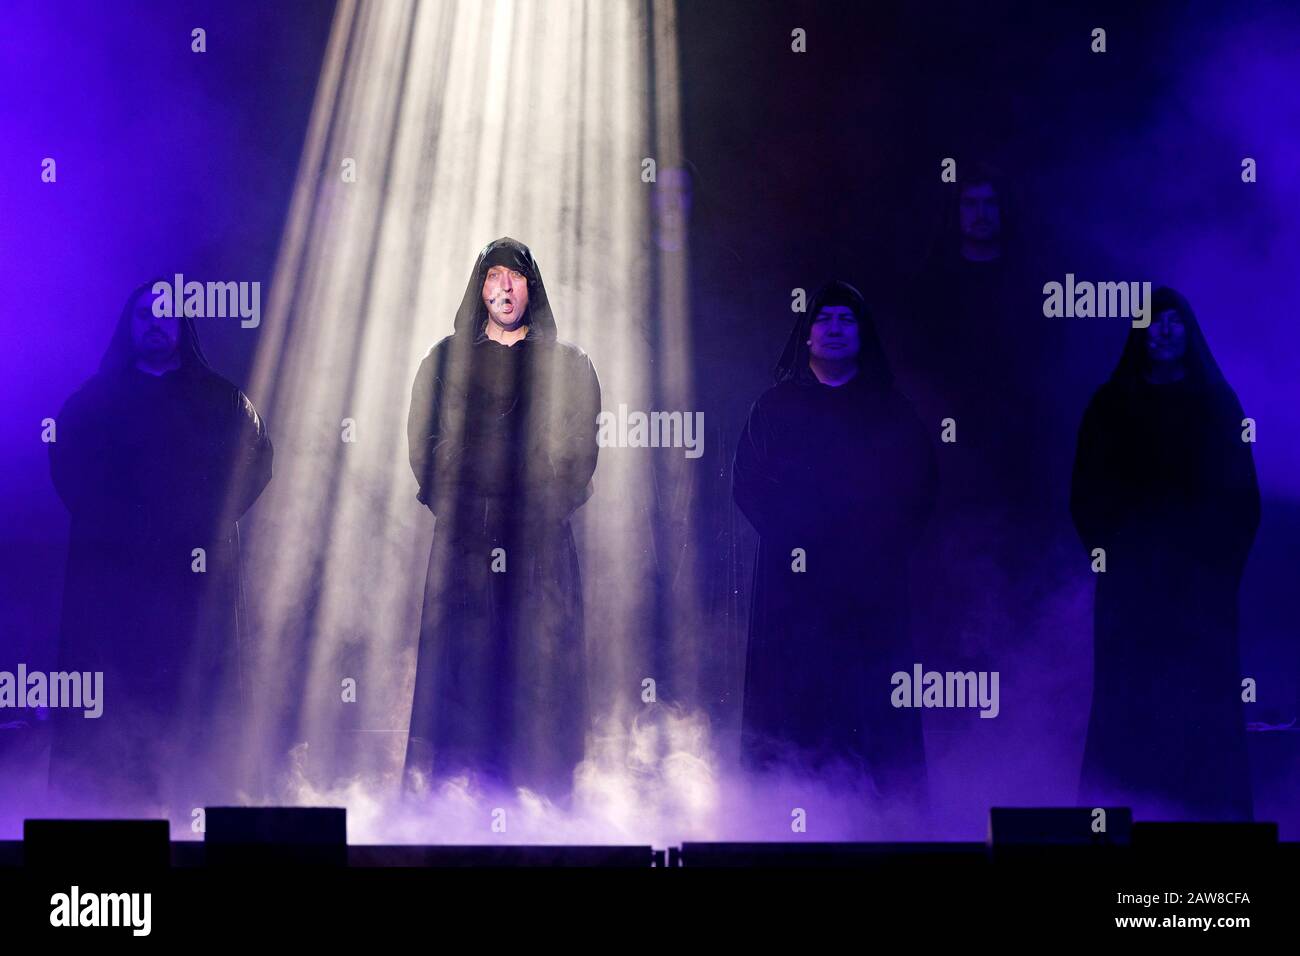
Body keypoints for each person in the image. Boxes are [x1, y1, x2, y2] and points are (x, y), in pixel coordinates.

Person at [47, 280, 273, 814]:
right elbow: (68, 468)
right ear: (129, 324)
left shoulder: (222, 403)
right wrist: (114, 527)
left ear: (184, 326)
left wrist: (204, 523)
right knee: (110, 689)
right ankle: (101, 807)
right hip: (114, 580)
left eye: (168, 315)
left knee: (191, 686)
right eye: (145, 314)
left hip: (192, 580)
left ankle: (195, 806)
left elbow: (256, 463)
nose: (156, 324)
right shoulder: (92, 403)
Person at [405, 237, 601, 797]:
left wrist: (522, 492)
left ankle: (543, 806)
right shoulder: (444, 360)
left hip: (539, 548)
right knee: (463, 673)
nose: (505, 287)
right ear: (479, 288)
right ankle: (456, 809)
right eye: (493, 276)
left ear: (531, 287)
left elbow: (577, 455)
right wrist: (485, 482)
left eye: (515, 276)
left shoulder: (569, 366)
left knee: (537, 670)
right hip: (466, 545)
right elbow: (425, 446)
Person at [732, 280, 937, 806]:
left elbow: (920, 489)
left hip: (871, 587)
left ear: (863, 334)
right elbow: (748, 486)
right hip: (791, 589)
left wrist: (875, 544)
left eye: (848, 320)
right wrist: (800, 542)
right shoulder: (774, 407)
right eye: (826, 320)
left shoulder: (892, 411)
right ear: (806, 335)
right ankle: (781, 817)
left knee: (872, 700)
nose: (837, 329)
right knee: (793, 696)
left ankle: (887, 825)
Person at [1071, 286, 1259, 821]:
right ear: (1139, 334)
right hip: (1131, 589)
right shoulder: (1109, 405)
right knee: (1128, 703)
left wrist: (1217, 570)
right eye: (1155, 322)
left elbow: (1244, 500)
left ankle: (1212, 825)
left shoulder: (1220, 405)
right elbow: (1085, 495)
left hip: (1203, 591)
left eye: (1176, 321)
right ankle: (1123, 819)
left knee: (1204, 705)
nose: (1165, 331)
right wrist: (1116, 558)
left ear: (1190, 332)